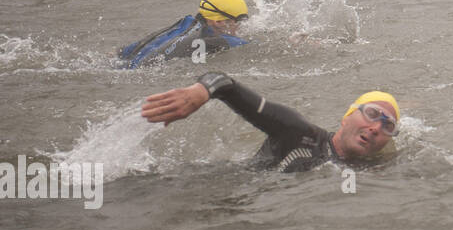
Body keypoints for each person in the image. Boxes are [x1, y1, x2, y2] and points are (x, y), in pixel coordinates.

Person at [142, 76, 400, 172]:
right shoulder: (298, 132)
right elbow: (225, 84)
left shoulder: (373, 170)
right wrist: (199, 92)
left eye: (387, 127)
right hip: (207, 186)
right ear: (347, 117)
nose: (376, 128)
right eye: (372, 114)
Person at [117, 0, 250, 68]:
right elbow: (250, 46)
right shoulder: (219, 40)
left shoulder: (185, 24)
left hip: (125, 65)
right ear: (219, 22)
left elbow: (124, 51)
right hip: (143, 74)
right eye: (239, 21)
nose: (241, 26)